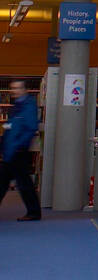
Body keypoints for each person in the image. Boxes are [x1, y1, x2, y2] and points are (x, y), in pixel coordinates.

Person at [0, 79, 41, 220]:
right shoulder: (16, 106)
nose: (14, 91)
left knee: (23, 183)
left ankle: (34, 212)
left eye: (17, 88)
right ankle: (34, 211)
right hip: (10, 151)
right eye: (12, 88)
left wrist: (19, 145)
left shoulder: (28, 105)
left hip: (18, 151)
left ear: (24, 89)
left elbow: (31, 128)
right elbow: (9, 127)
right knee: (4, 182)